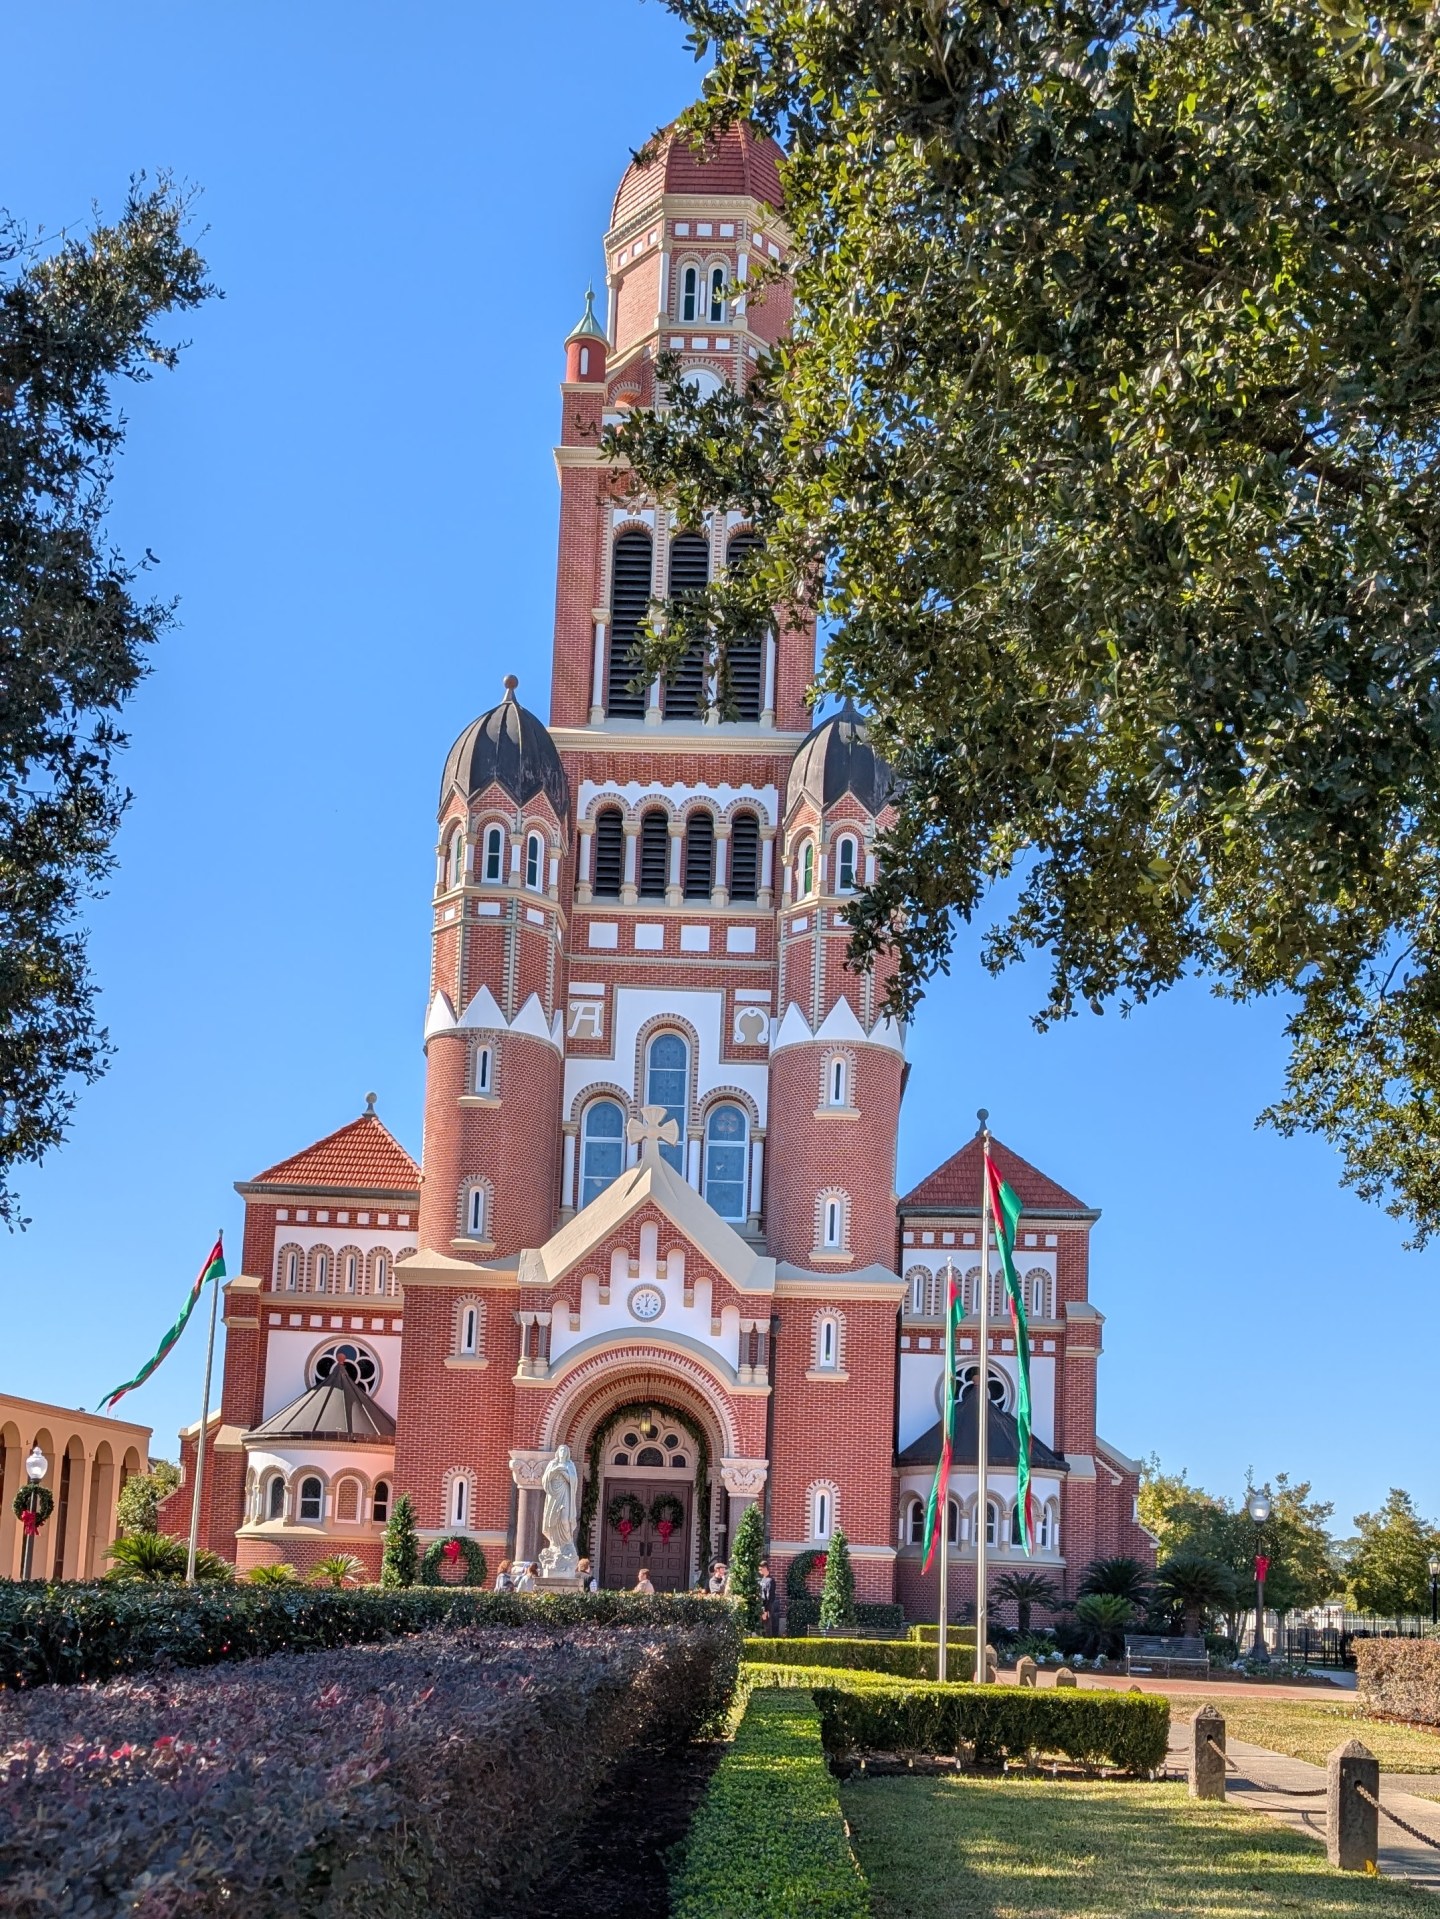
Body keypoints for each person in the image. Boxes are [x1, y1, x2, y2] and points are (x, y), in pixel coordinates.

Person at [758, 1560, 777, 1635]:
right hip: (762, 1605)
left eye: (760, 1569)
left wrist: (766, 1611)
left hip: (767, 1607)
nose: (759, 1571)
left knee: (767, 1627)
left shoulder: (770, 1581)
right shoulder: (763, 1579)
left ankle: (768, 1643)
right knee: (762, 1627)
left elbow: (770, 1597)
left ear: (765, 1568)